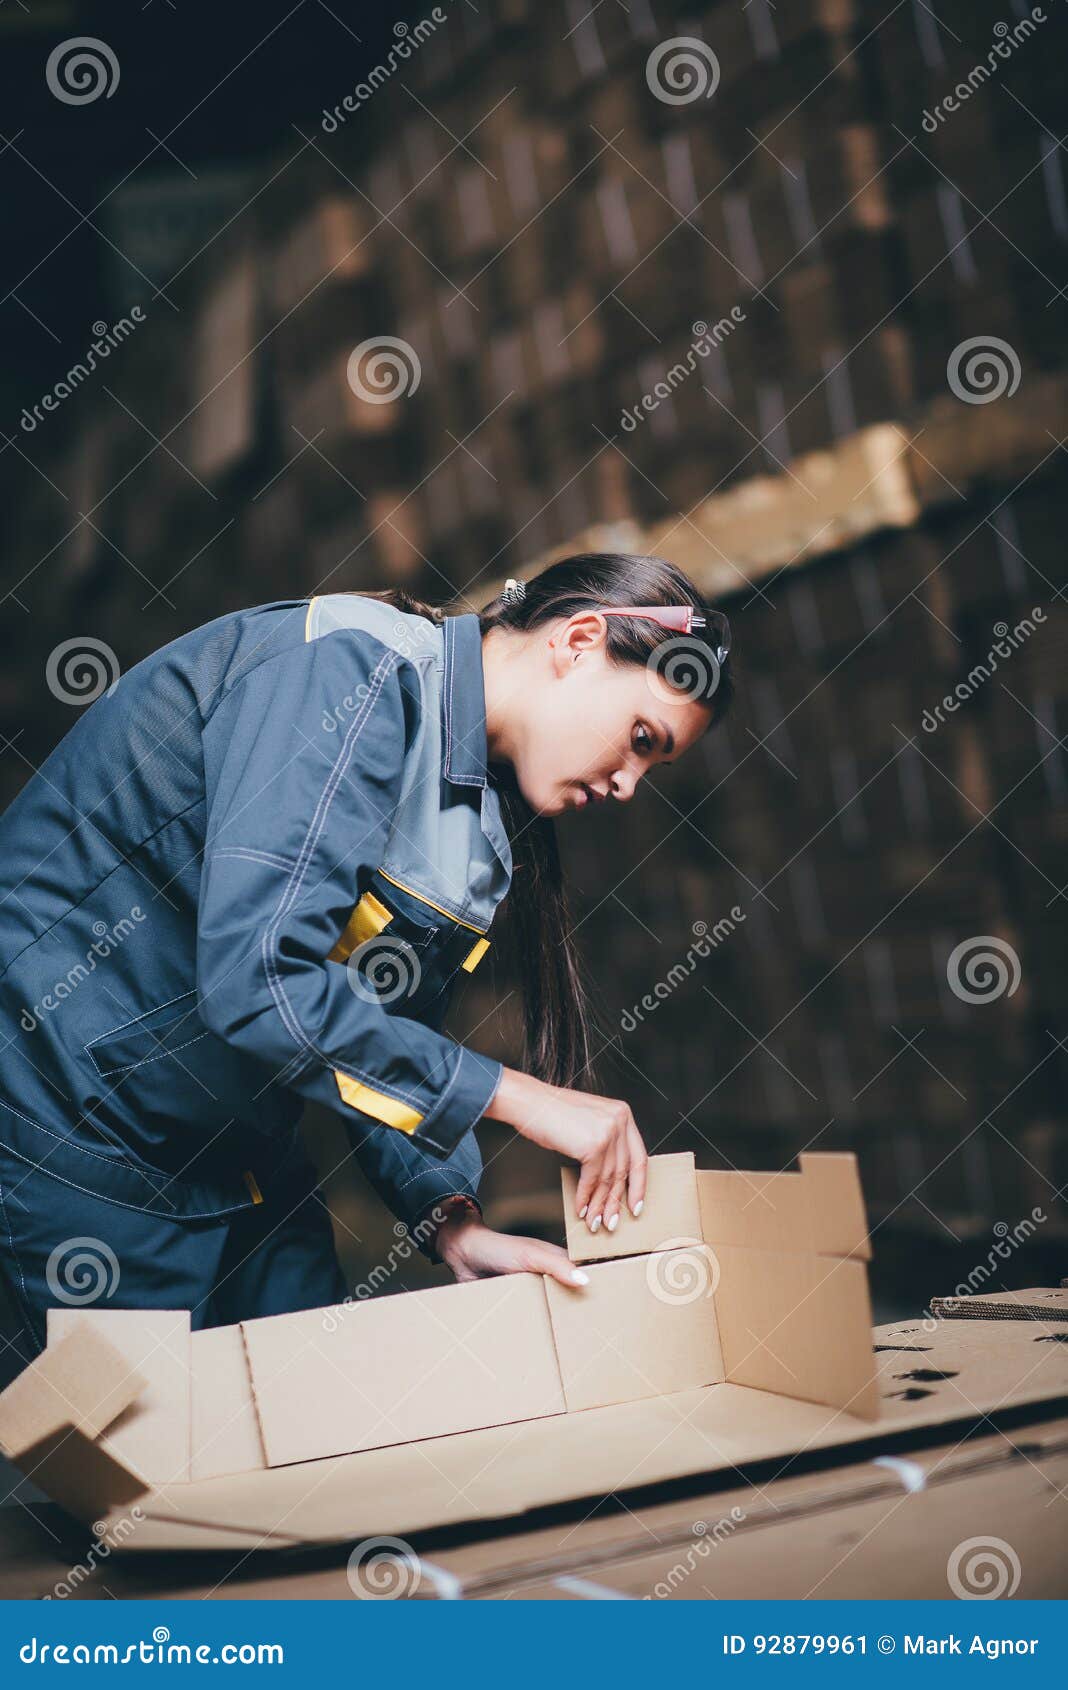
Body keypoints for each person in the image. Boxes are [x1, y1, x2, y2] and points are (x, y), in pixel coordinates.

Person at [0, 551, 733, 1356]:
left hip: (238, 1159)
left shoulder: (477, 829)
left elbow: (374, 1028)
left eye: (651, 766)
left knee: (315, 1439)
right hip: (77, 1135)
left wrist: (448, 1216)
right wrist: (522, 1097)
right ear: (579, 640)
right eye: (638, 738)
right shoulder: (346, 673)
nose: (628, 785)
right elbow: (260, 982)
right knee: (148, 1467)